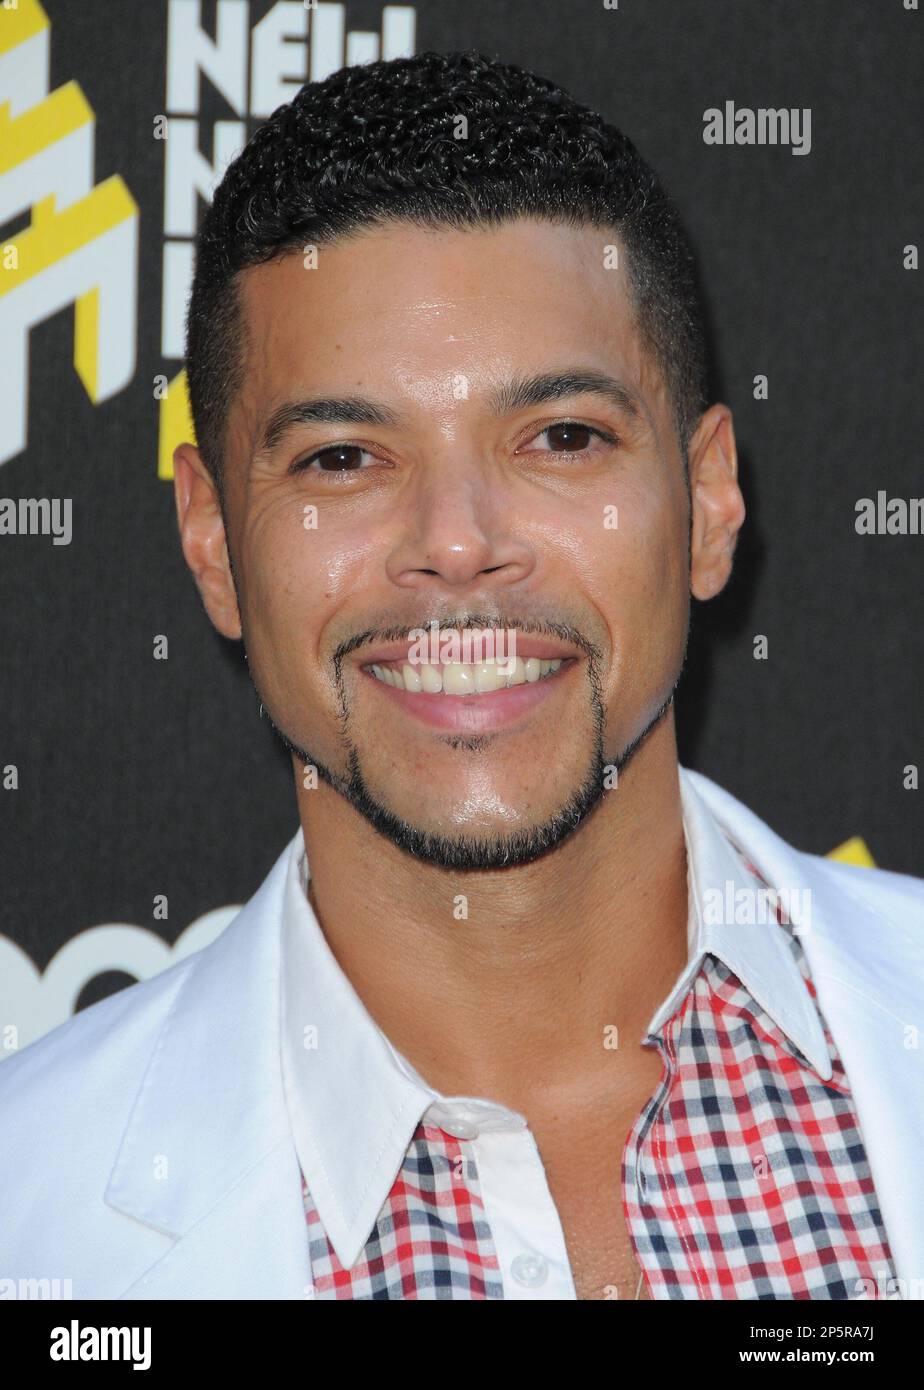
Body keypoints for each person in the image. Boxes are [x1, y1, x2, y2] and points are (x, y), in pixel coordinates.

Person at [2, 50, 922, 1302]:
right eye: (341, 458)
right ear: (213, 543)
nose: (454, 541)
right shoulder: (30, 1205)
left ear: (708, 503)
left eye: (561, 437)